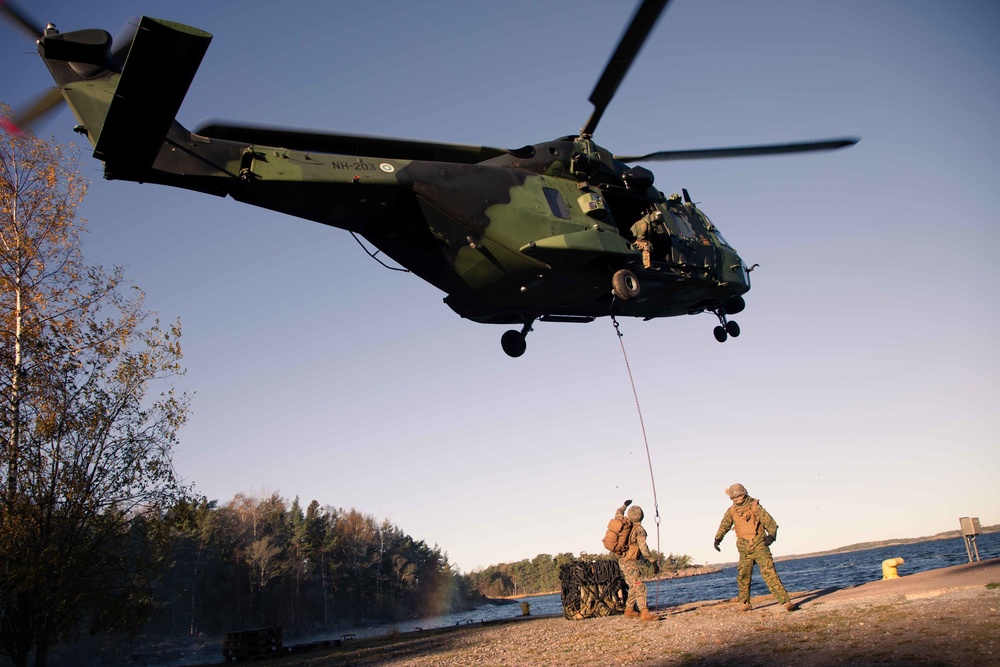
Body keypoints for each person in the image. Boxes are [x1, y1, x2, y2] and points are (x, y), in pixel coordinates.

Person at [713, 484, 798, 612]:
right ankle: (744, 603)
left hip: (759, 544)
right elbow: (724, 525)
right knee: (743, 575)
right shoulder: (731, 511)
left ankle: (786, 602)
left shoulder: (755, 507)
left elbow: (771, 523)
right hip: (744, 548)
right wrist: (718, 539)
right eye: (734, 498)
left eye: (739, 496)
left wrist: (771, 536)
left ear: (744, 494)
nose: (737, 499)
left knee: (769, 572)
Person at [615, 499, 660, 621]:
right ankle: (644, 612)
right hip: (631, 562)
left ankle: (629, 610)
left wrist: (624, 505)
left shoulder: (623, 524)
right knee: (640, 585)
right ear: (642, 516)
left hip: (622, 561)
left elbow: (618, 513)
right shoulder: (639, 530)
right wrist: (653, 562)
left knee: (633, 586)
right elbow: (644, 548)